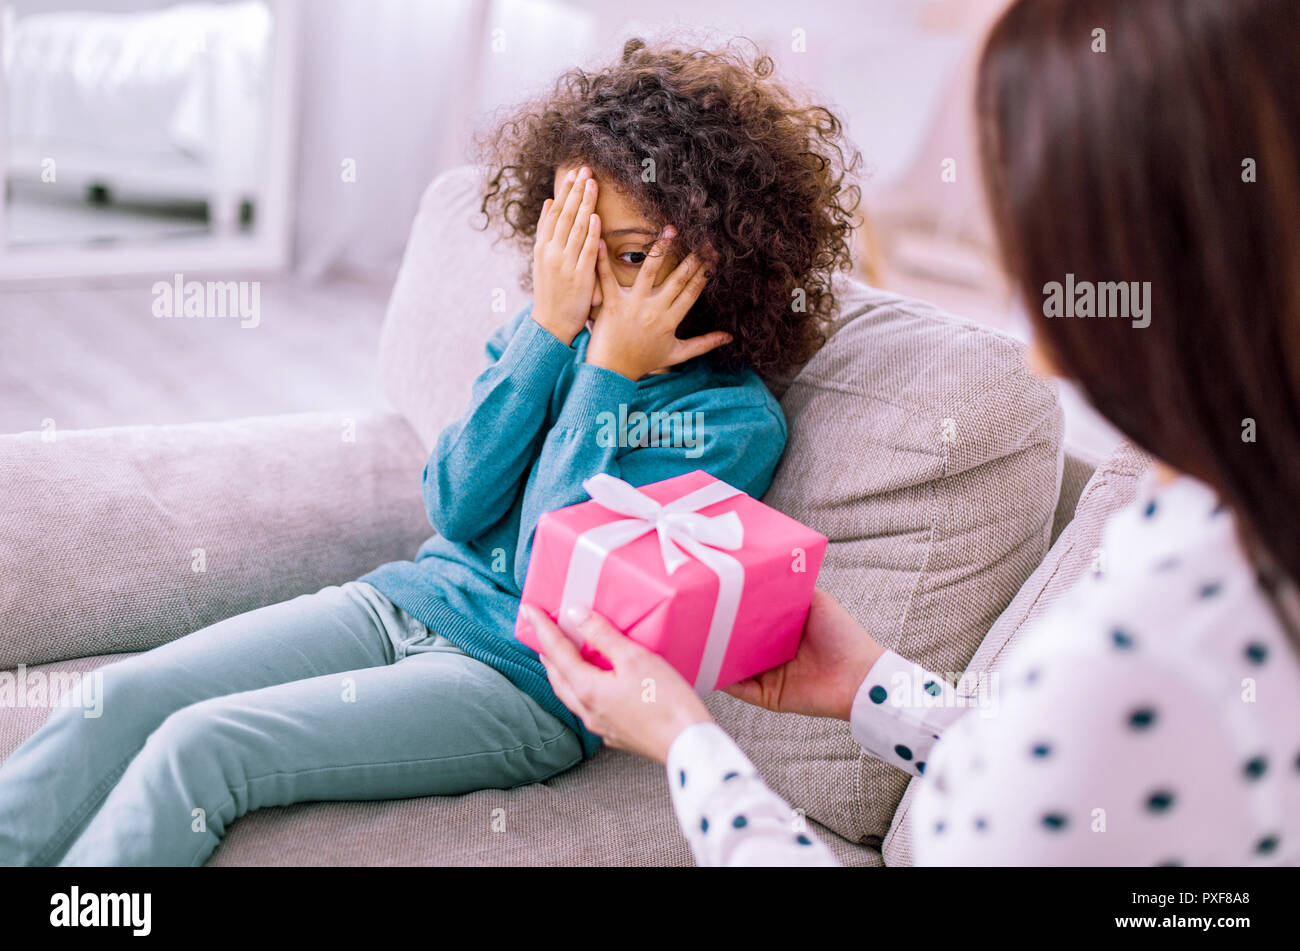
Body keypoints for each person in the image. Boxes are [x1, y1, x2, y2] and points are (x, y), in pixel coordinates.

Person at [0, 38, 859, 866]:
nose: (593, 287)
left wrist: (608, 374)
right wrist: (551, 334)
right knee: (122, 697)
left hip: (519, 687)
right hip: (399, 604)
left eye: (629, 257)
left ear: (721, 258)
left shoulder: (731, 424)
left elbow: (550, 586)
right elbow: (452, 501)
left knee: (202, 747)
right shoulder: (550, 338)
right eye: (571, 247)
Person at [522, 0, 1300, 866]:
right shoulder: (1217, 546)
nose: (1045, 345)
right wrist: (873, 688)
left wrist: (688, 744)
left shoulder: (1142, 650)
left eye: (1038, 254)